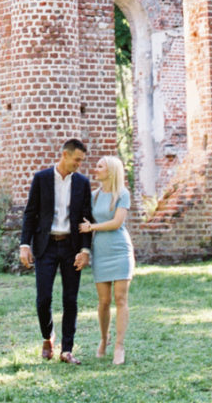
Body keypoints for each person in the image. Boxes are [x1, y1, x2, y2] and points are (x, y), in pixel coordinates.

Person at [20, 138, 94, 365]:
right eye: (77, 160)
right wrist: (25, 244)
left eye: (82, 161)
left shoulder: (82, 182)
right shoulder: (41, 179)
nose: (79, 165)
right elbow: (30, 214)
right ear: (64, 155)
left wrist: (85, 249)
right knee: (43, 298)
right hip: (46, 246)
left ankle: (67, 350)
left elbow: (87, 218)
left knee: (70, 299)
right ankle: (47, 337)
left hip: (72, 247)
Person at [79, 155, 134, 365]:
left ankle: (119, 346)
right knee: (103, 301)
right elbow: (83, 222)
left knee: (121, 299)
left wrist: (92, 227)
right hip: (100, 251)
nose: (96, 169)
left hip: (120, 250)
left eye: (100, 166)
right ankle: (104, 340)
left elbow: (117, 222)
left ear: (110, 170)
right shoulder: (93, 196)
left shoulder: (122, 194)